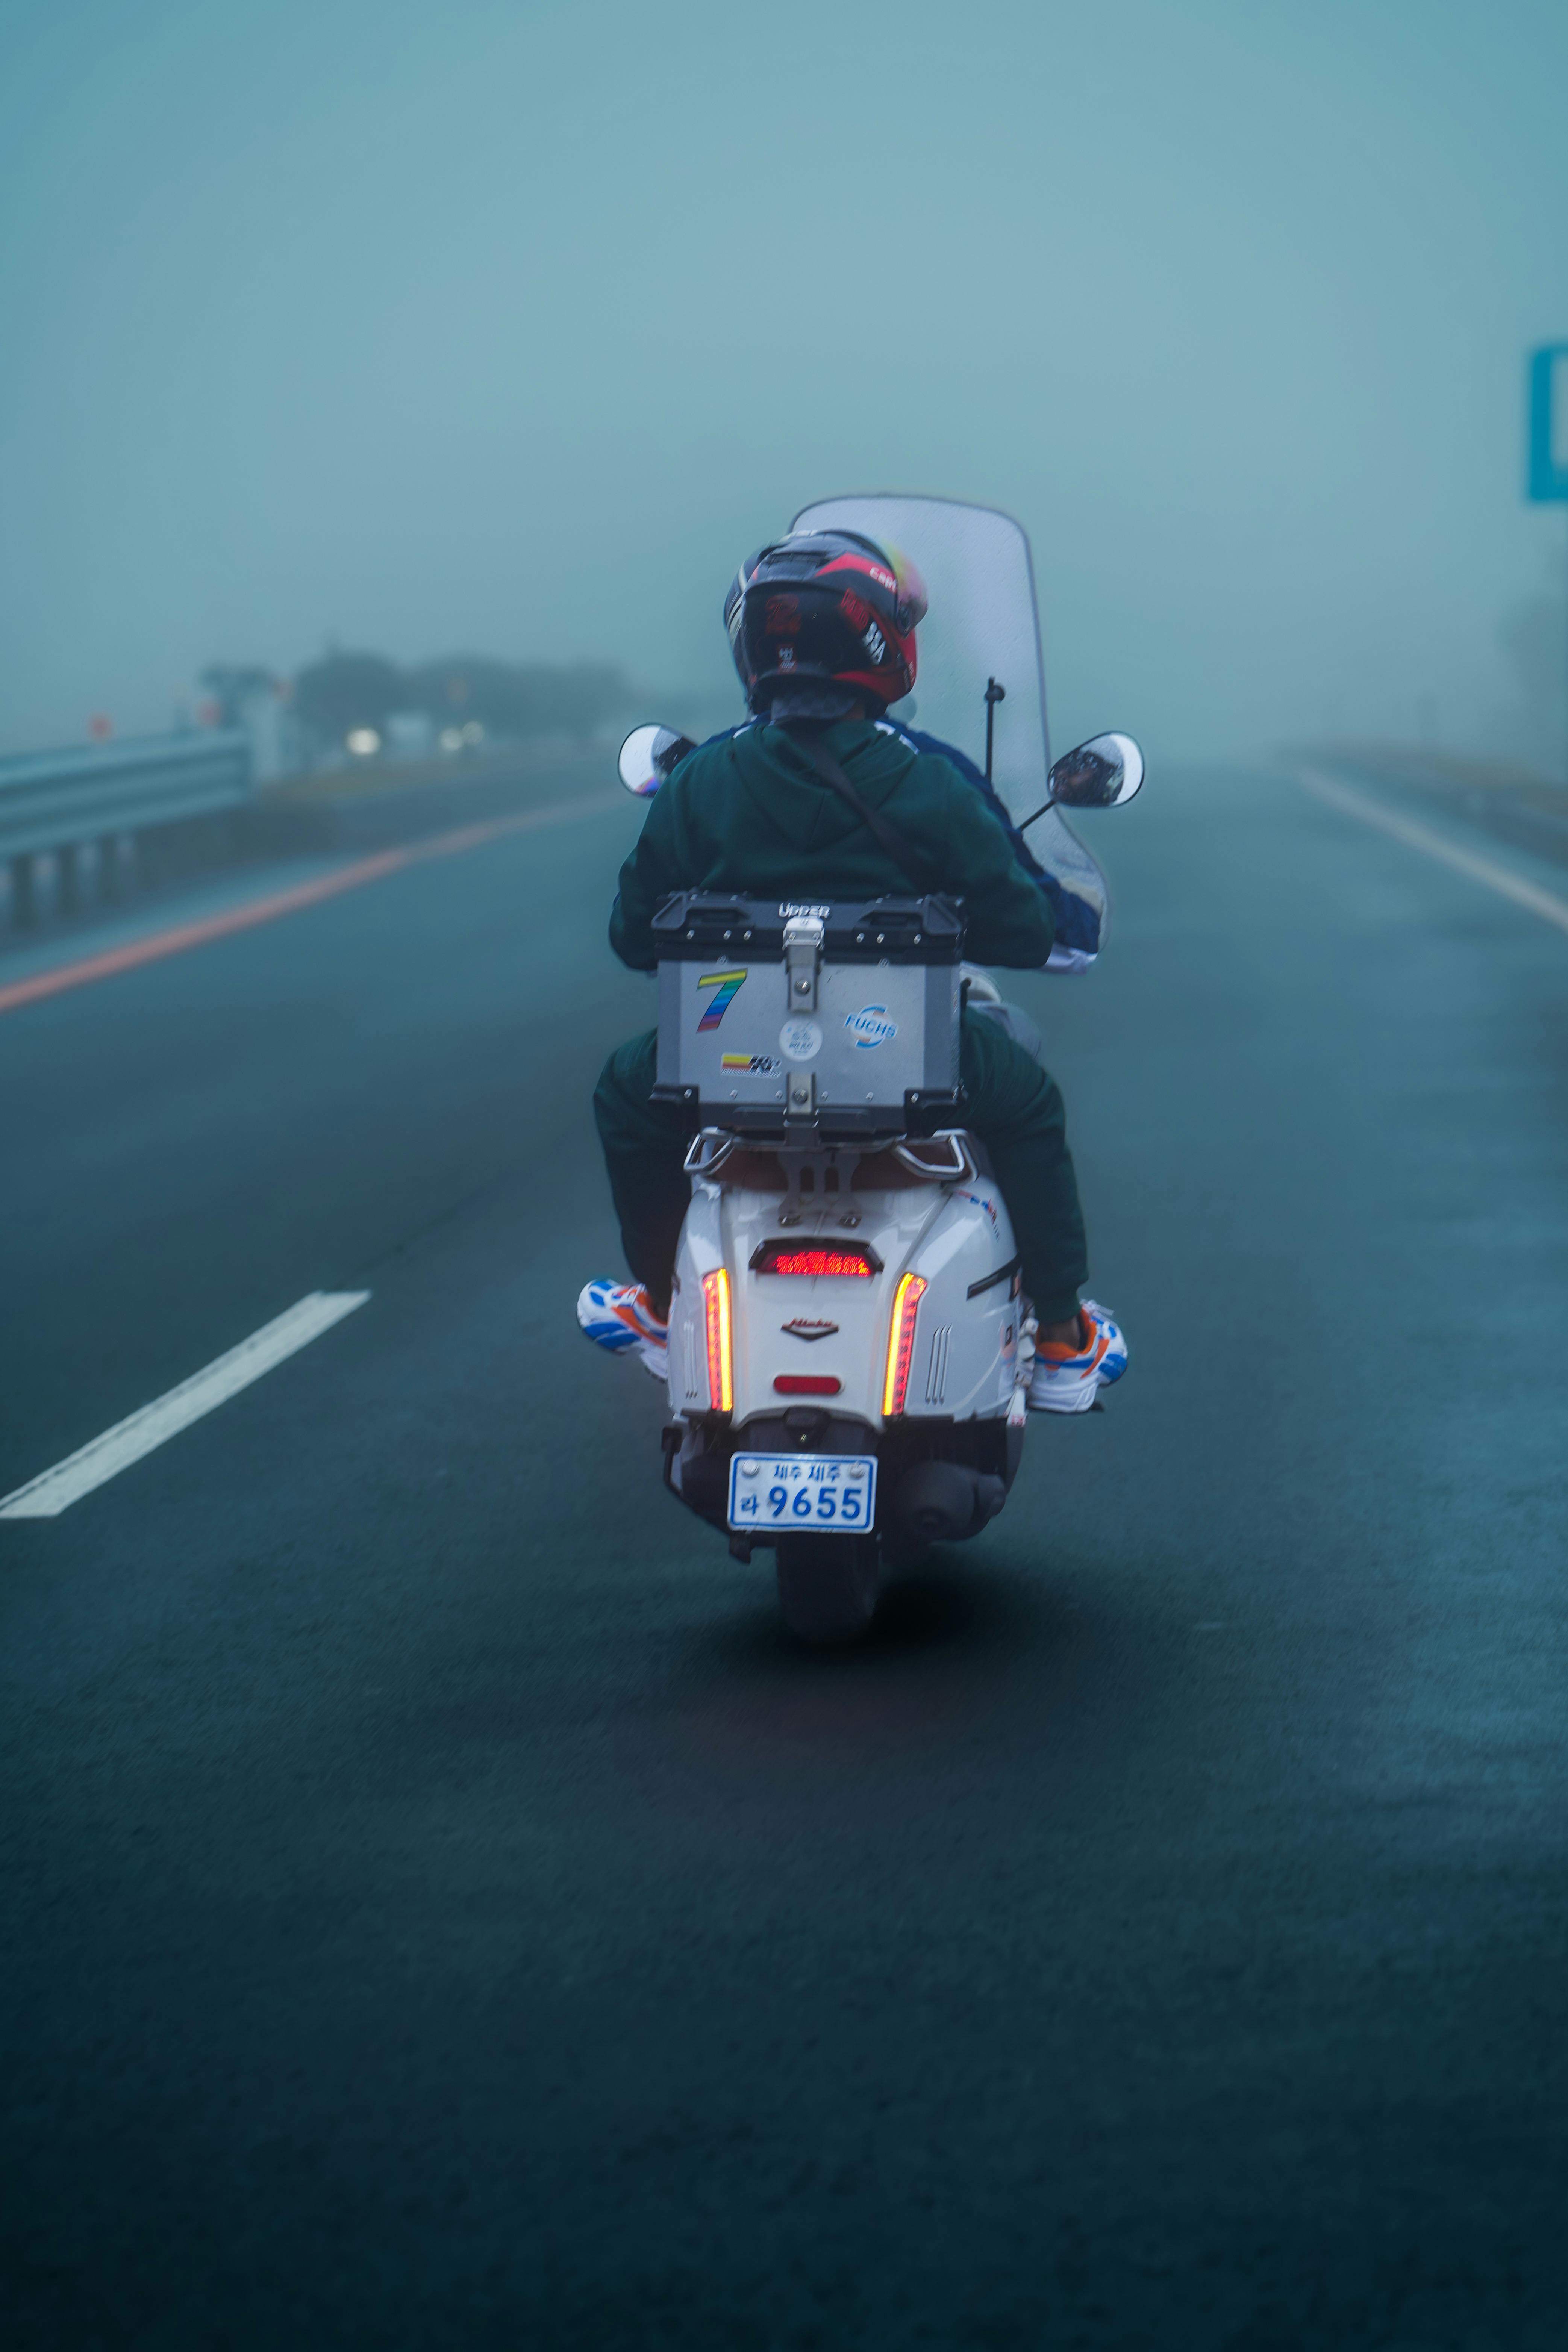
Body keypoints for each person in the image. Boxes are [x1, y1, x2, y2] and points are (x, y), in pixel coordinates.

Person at [577, 528, 1127, 1413]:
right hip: (907, 1069)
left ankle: (657, 1298)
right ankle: (1061, 1337)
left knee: (622, 1089)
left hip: (732, 1070)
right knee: (1026, 1104)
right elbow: (1026, 930)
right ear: (881, 643)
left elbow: (633, 939)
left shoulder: (701, 778)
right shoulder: (929, 780)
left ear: (753, 646)